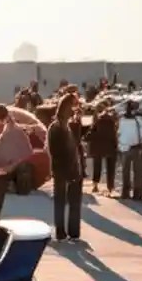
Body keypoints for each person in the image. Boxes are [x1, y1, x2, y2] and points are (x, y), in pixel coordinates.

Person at [0, 105, 33, 220]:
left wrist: (12, 163)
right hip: (1, 166)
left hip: (7, 167)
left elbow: (26, 150)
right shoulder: (8, 127)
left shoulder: (14, 130)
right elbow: (0, 144)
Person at [48, 93, 84, 242]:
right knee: (60, 202)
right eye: (73, 106)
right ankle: (61, 231)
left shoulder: (70, 126)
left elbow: (77, 143)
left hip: (73, 168)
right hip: (62, 170)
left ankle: (73, 232)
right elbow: (55, 151)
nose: (74, 110)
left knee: (74, 202)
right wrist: (66, 168)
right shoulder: (56, 127)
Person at [117, 100, 142, 201]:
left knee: (136, 173)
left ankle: (136, 194)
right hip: (127, 148)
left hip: (135, 147)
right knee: (129, 172)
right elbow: (120, 133)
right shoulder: (123, 119)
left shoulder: (139, 119)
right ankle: (128, 193)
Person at [88, 104, 118, 195]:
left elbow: (91, 134)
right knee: (110, 168)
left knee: (97, 166)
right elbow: (114, 135)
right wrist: (116, 145)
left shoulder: (97, 121)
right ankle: (110, 187)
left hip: (98, 147)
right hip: (110, 147)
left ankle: (95, 185)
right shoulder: (112, 121)